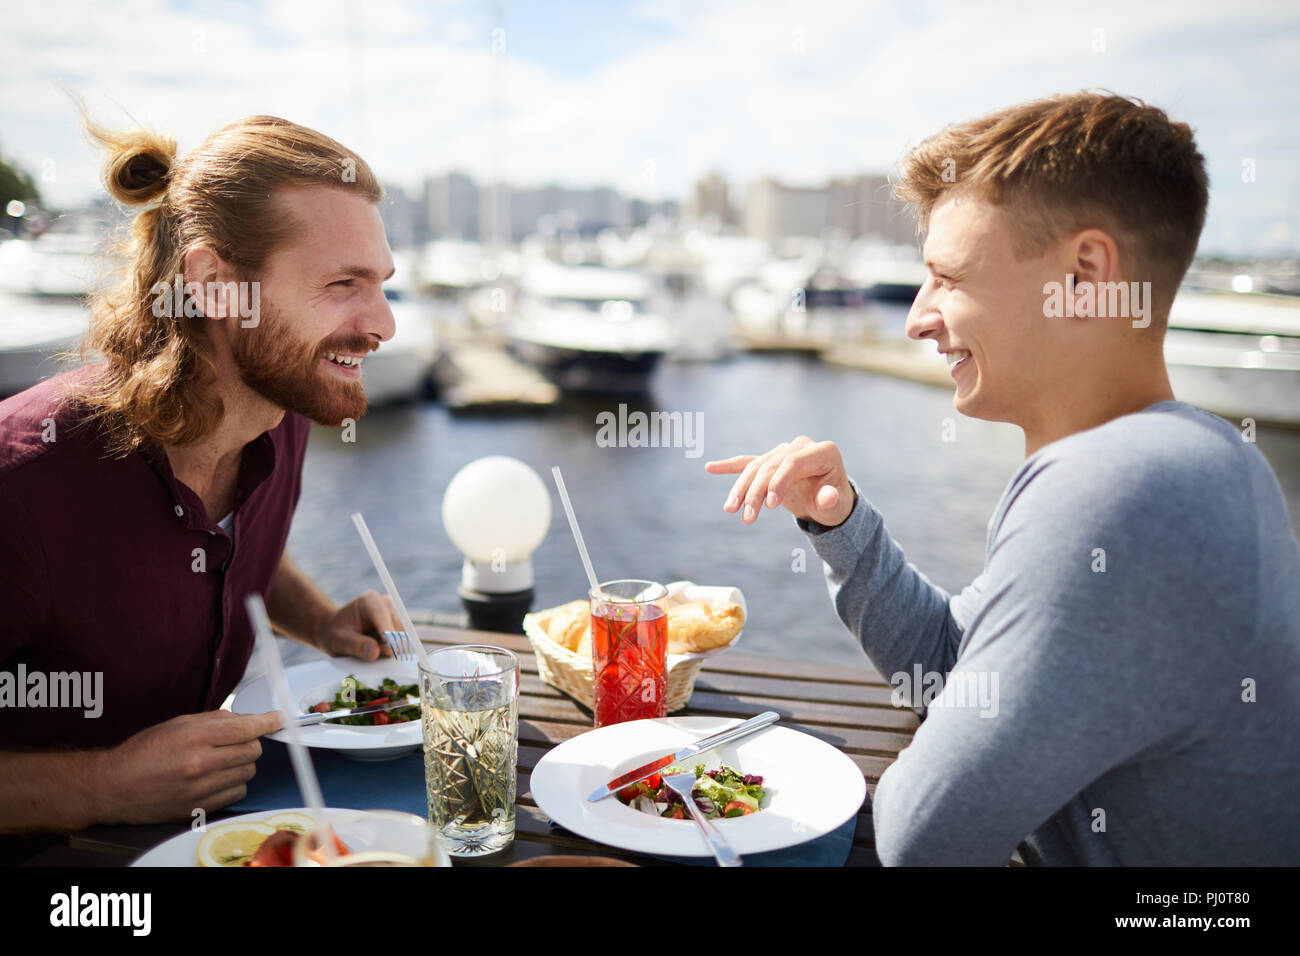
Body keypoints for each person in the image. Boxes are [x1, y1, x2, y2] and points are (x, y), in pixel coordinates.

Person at [707, 91, 1300, 865]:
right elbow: (957, 668)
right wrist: (840, 523)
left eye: (948, 277)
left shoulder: (1117, 490)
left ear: (1085, 274)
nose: (917, 318)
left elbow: (921, 838)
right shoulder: (1207, 455)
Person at [0, 110, 405, 832]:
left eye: (381, 284)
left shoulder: (284, 408)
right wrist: (101, 786)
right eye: (344, 283)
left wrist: (322, 622)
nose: (383, 323)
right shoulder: (25, 485)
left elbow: (226, 544)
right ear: (214, 284)